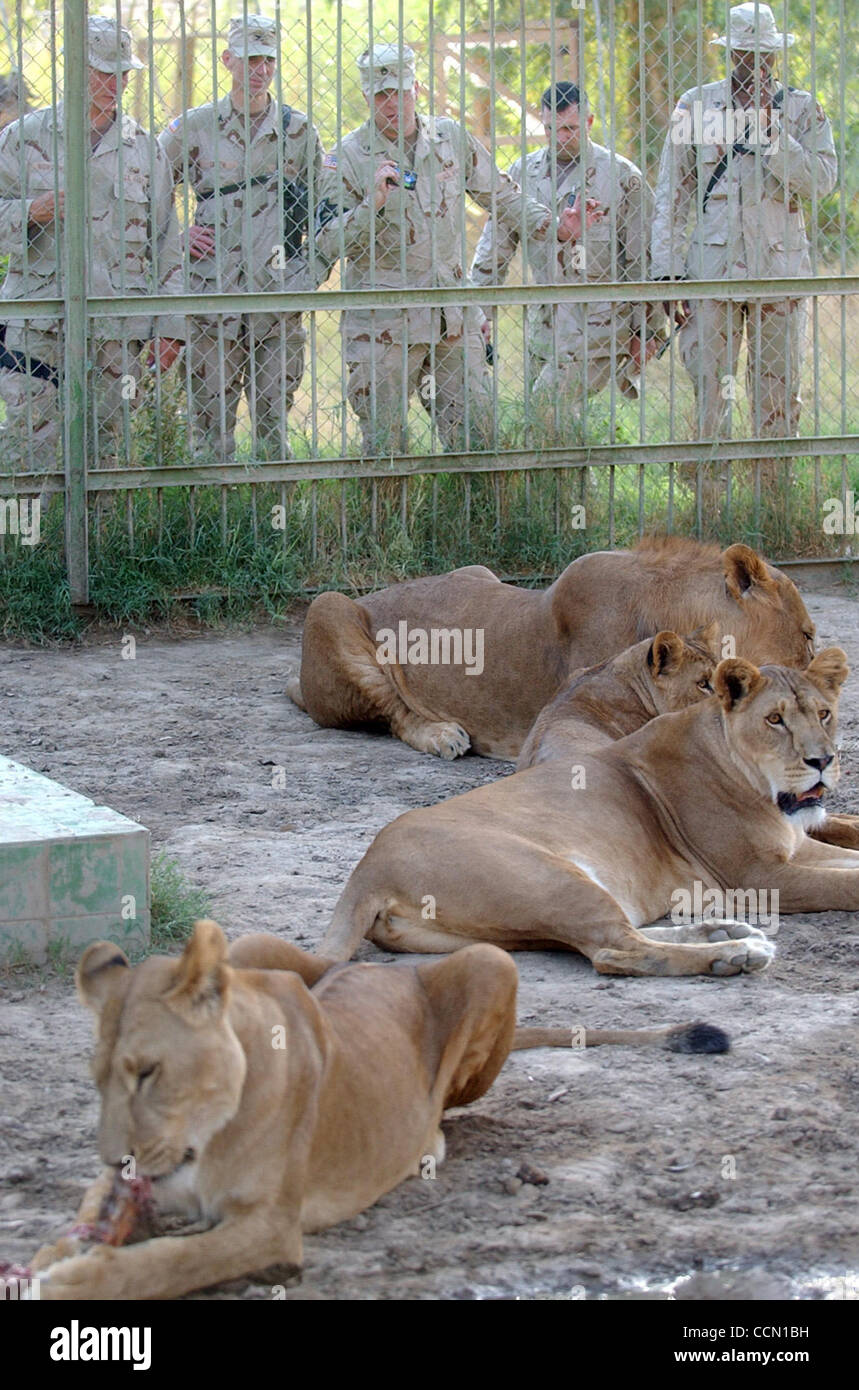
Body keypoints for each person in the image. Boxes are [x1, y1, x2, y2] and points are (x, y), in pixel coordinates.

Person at [315, 42, 556, 457]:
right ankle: (387, 520)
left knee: (477, 438)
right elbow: (326, 241)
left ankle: (476, 518)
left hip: (451, 317)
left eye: (402, 90)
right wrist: (370, 205)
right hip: (384, 323)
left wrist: (553, 225)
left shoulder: (449, 138)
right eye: (381, 94)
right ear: (366, 97)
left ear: (418, 88)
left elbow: (500, 194)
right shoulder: (347, 158)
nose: (393, 103)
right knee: (385, 447)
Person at [651, 3, 837, 478]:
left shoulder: (800, 108)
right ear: (729, 53)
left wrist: (775, 137)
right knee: (710, 390)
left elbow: (822, 180)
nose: (755, 65)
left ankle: (770, 497)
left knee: (777, 392)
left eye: (764, 55)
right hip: (712, 272)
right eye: (745, 54)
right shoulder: (696, 106)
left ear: (776, 55)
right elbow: (674, 192)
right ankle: (710, 501)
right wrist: (668, 273)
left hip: (778, 273)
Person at [0, 17, 185, 472]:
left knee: (109, 452)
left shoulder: (145, 148)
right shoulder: (22, 139)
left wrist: (171, 326)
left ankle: (100, 543)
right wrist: (28, 212)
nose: (114, 83)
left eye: (122, 72)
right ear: (72, 67)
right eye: (101, 71)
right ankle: (30, 541)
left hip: (116, 329)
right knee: (29, 446)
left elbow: (167, 242)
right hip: (38, 326)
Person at [160, 13, 323, 461]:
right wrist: (177, 235)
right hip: (214, 298)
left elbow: (324, 206)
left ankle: (274, 518)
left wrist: (307, 274)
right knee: (210, 432)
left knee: (274, 430)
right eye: (250, 59)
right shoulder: (195, 126)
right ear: (228, 60)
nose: (260, 70)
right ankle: (214, 519)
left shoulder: (297, 131)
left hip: (276, 298)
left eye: (268, 60)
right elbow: (145, 187)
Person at [471, 81, 664, 411]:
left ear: (588, 122)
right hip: (543, 328)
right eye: (552, 129)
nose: (561, 138)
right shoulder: (522, 174)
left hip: (599, 329)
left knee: (546, 409)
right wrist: (477, 313)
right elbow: (495, 250)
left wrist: (648, 332)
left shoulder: (620, 177)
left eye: (570, 128)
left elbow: (643, 260)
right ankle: (573, 465)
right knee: (550, 425)